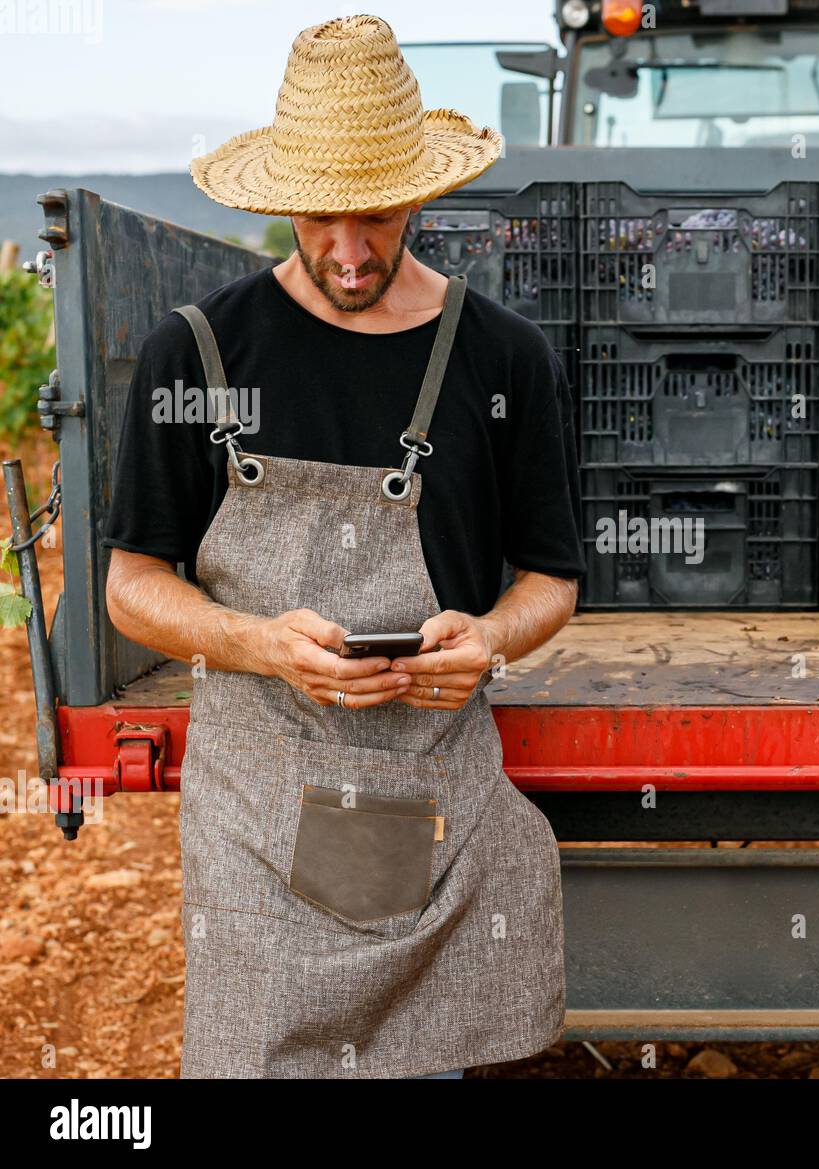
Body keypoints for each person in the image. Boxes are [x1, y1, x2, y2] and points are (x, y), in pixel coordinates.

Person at [103, 13, 584, 1079]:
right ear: (283, 200)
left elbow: (552, 578)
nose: (350, 251)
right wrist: (261, 643)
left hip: (426, 798)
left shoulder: (503, 358)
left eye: (377, 216)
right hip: (255, 813)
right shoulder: (198, 353)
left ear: (420, 195)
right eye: (323, 218)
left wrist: (491, 637)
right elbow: (131, 586)